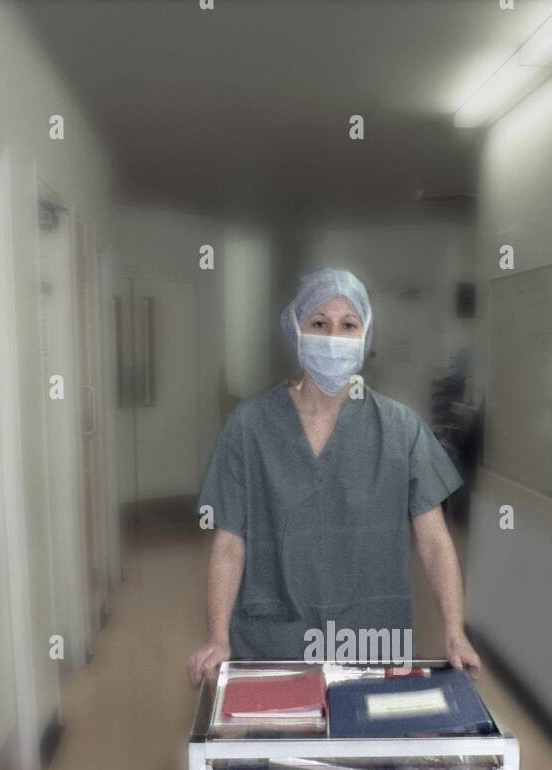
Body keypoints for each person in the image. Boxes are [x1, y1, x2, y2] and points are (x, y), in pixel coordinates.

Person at [188, 267, 481, 686]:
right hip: (274, 644)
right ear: (296, 329)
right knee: (273, 747)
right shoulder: (250, 426)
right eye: (319, 324)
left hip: (372, 640)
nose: (334, 337)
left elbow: (434, 541)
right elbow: (230, 542)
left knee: (368, 744)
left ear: (365, 335)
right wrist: (217, 638)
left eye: (349, 325)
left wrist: (455, 630)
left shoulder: (400, 428)